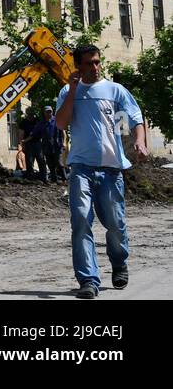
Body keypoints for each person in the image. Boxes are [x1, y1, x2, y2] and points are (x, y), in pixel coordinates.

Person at [55, 43, 148, 299]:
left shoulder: (115, 90)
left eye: (97, 62)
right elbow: (61, 123)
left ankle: (119, 262)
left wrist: (139, 142)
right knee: (81, 221)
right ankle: (88, 280)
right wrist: (74, 91)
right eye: (89, 63)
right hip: (81, 169)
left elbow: (134, 119)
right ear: (78, 66)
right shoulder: (67, 91)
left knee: (115, 224)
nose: (95, 67)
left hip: (111, 169)